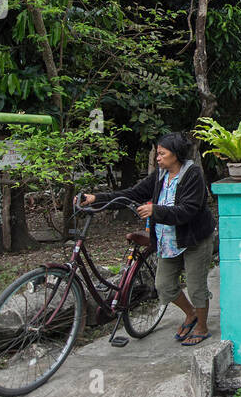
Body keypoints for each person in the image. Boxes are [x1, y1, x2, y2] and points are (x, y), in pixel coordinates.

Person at [78, 132, 216, 344]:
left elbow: (188, 210)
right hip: (167, 240)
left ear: (176, 155)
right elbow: (131, 194)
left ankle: (202, 326)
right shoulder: (160, 176)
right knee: (164, 285)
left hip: (194, 239)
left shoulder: (192, 174)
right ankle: (191, 313)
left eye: (162, 154)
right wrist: (96, 198)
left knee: (197, 287)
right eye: (157, 154)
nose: (157, 158)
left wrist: (155, 210)